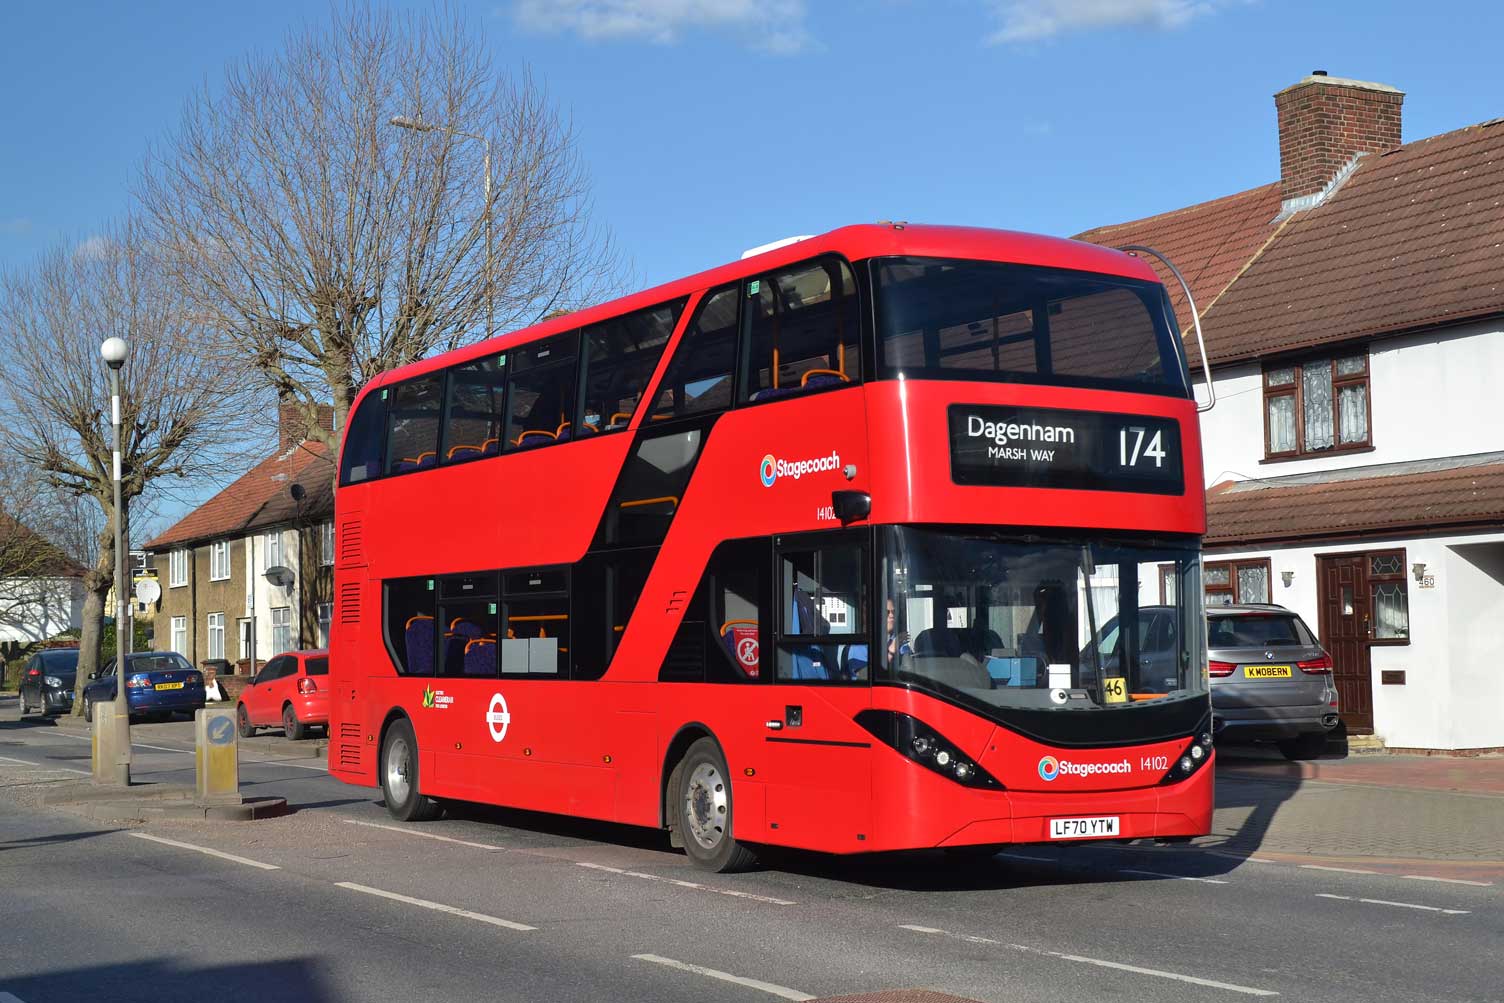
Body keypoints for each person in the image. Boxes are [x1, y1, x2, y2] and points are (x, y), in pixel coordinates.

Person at [885, 598, 912, 663]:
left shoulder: (899, 640)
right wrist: (891, 651)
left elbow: (909, 667)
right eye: (887, 612)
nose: (891, 615)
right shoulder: (866, 641)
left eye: (894, 612)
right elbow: (866, 671)